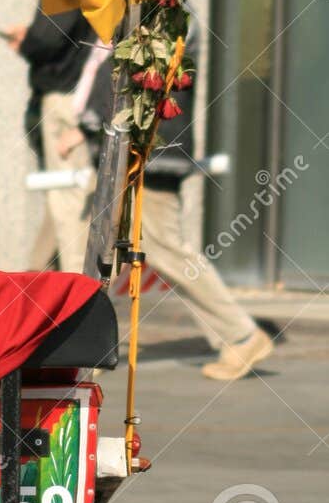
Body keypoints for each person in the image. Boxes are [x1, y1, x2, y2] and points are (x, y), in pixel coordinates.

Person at [83, 26, 274, 382]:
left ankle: (241, 334)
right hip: (134, 150)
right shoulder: (149, 10)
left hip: (149, 152)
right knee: (89, 245)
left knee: (167, 249)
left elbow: (143, 79)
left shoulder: (165, 13)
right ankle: (74, 349)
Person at [6, 5, 99, 273]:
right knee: (66, 197)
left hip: (65, 95)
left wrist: (28, 41)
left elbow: (49, 38)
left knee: (68, 197)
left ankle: (76, 286)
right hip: (77, 93)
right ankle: (37, 277)